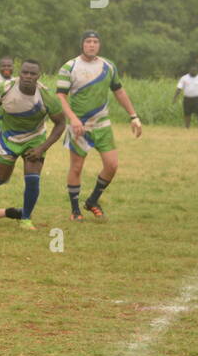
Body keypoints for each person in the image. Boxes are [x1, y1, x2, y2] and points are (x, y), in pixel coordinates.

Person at [56, 32, 143, 220]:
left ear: (99, 45)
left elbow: (119, 91)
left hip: (102, 125)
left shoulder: (108, 66)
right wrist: (73, 118)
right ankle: (75, 210)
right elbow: (61, 96)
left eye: (95, 42)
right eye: (88, 41)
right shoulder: (69, 67)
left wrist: (133, 115)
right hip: (79, 127)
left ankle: (92, 201)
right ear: (82, 45)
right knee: (77, 168)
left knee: (112, 165)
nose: (92, 45)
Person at [0, 59, 66, 230]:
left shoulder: (46, 96)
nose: (28, 76)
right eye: (25, 72)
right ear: (20, 73)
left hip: (34, 139)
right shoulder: (5, 88)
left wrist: (42, 148)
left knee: (32, 179)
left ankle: (25, 217)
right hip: (8, 138)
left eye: (32, 74)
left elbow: (61, 123)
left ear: (39, 76)